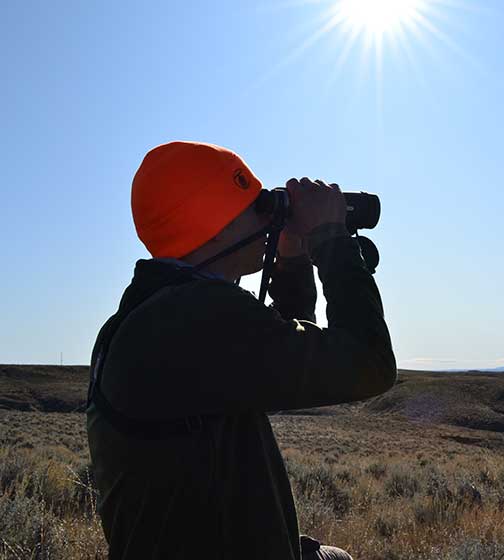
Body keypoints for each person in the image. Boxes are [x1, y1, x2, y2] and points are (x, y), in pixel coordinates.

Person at [86, 141, 397, 559]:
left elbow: (275, 353)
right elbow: (369, 361)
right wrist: (330, 240)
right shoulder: (194, 316)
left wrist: (291, 262)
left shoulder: (152, 313)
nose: (269, 214)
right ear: (211, 224)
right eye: (256, 205)